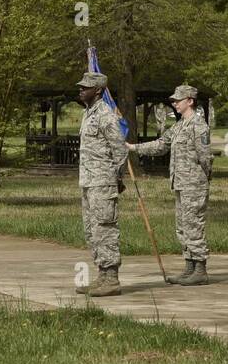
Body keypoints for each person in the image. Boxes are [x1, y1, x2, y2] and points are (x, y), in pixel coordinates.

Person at [130, 85, 213, 286]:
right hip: (180, 184)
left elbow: (206, 158)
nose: (174, 103)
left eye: (178, 100)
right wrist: (133, 148)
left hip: (194, 184)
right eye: (174, 100)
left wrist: (201, 180)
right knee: (182, 227)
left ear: (190, 101)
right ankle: (189, 267)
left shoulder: (198, 126)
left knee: (193, 226)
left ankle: (200, 268)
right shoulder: (179, 126)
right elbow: (161, 145)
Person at [73, 71, 128, 297]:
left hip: (103, 182)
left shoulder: (106, 115)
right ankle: (102, 275)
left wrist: (116, 177)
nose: (81, 90)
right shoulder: (88, 114)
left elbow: (120, 149)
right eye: (81, 87)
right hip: (88, 181)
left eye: (85, 87)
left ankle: (112, 277)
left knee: (105, 228)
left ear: (97, 91)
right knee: (92, 230)